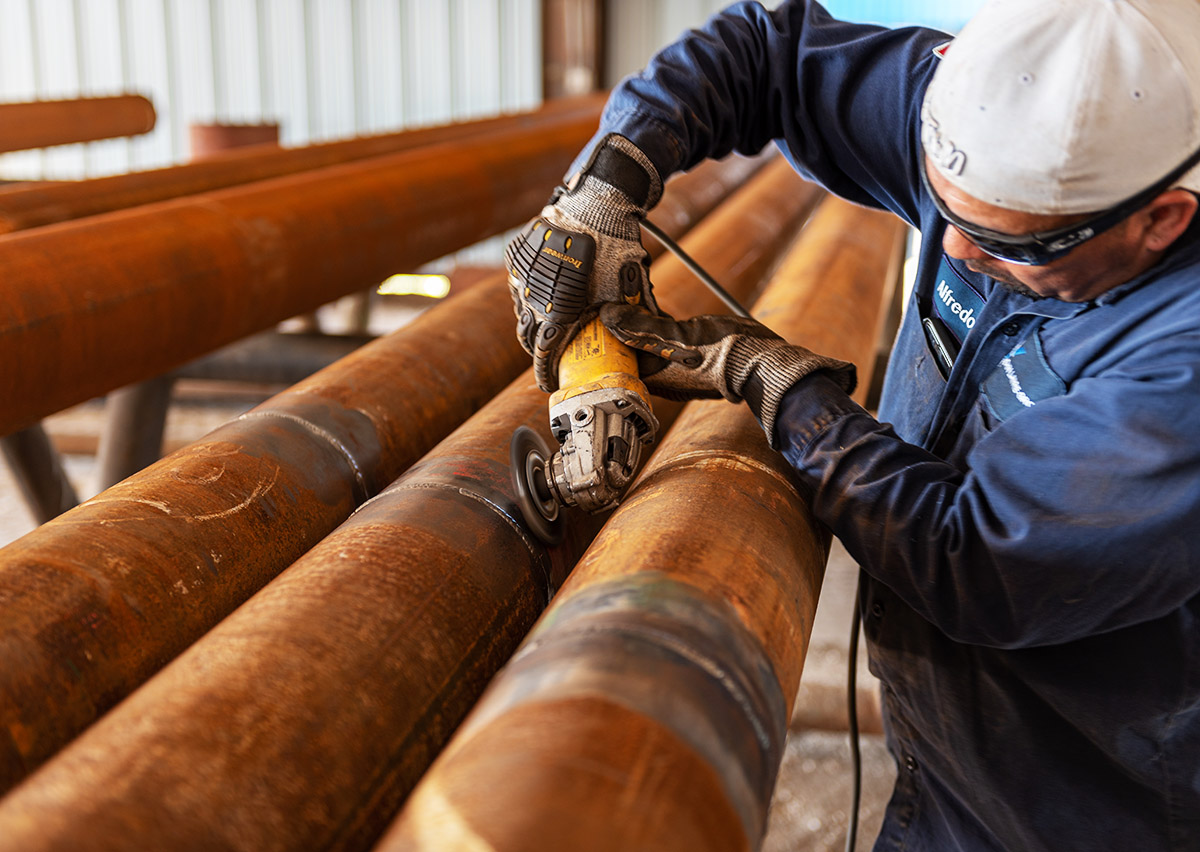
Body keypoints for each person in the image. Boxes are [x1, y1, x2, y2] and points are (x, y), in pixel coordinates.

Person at [506, 0, 1200, 848]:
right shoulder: (993, 126)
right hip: (942, 743)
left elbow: (978, 557)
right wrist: (608, 184)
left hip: (1085, 792)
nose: (955, 253)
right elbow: (767, 50)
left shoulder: (1184, 360)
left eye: (1000, 241)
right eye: (948, 212)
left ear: (1161, 218)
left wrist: (775, 382)